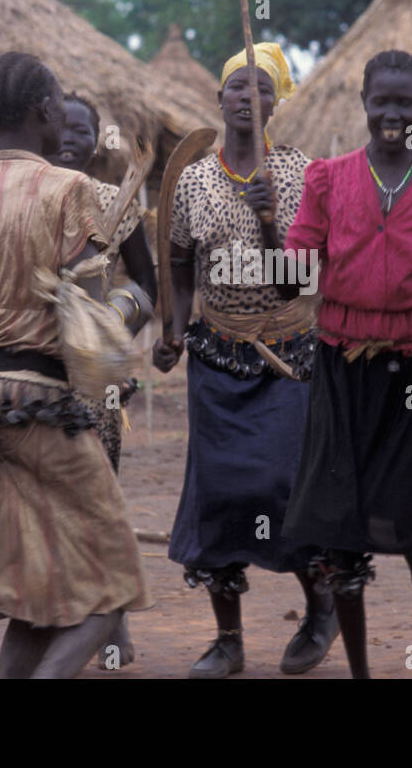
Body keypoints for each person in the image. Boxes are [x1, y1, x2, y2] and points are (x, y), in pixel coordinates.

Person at [0, 51, 151, 679]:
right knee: (114, 583)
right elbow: (85, 311)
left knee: (30, 595)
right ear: (41, 112)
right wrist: (125, 315)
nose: (65, 116)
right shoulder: (71, 190)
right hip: (42, 402)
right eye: (59, 104)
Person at [279, 49, 412, 679]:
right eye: (381, 101)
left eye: (405, 102)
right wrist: (271, 237)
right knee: (340, 531)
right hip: (340, 368)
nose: (392, 114)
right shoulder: (327, 179)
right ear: (364, 102)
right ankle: (361, 669)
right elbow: (293, 279)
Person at [152, 43, 338, 679]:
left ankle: (320, 605)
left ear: (276, 103)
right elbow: (177, 264)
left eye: (262, 88)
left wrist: (266, 225)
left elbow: (303, 274)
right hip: (215, 353)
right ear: (219, 98)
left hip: (287, 354)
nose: (246, 98)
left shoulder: (303, 175)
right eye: (237, 86)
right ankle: (227, 640)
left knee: (283, 485)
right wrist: (173, 328)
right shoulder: (193, 181)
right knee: (218, 493)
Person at [47, 90, 156, 667]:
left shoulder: (117, 202)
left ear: (97, 141)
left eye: (81, 129)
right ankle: (59, 624)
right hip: (28, 376)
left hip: (93, 385)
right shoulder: (20, 199)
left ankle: (110, 620)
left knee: (97, 508)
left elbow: (146, 286)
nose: (69, 137)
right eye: (59, 126)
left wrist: (110, 321)